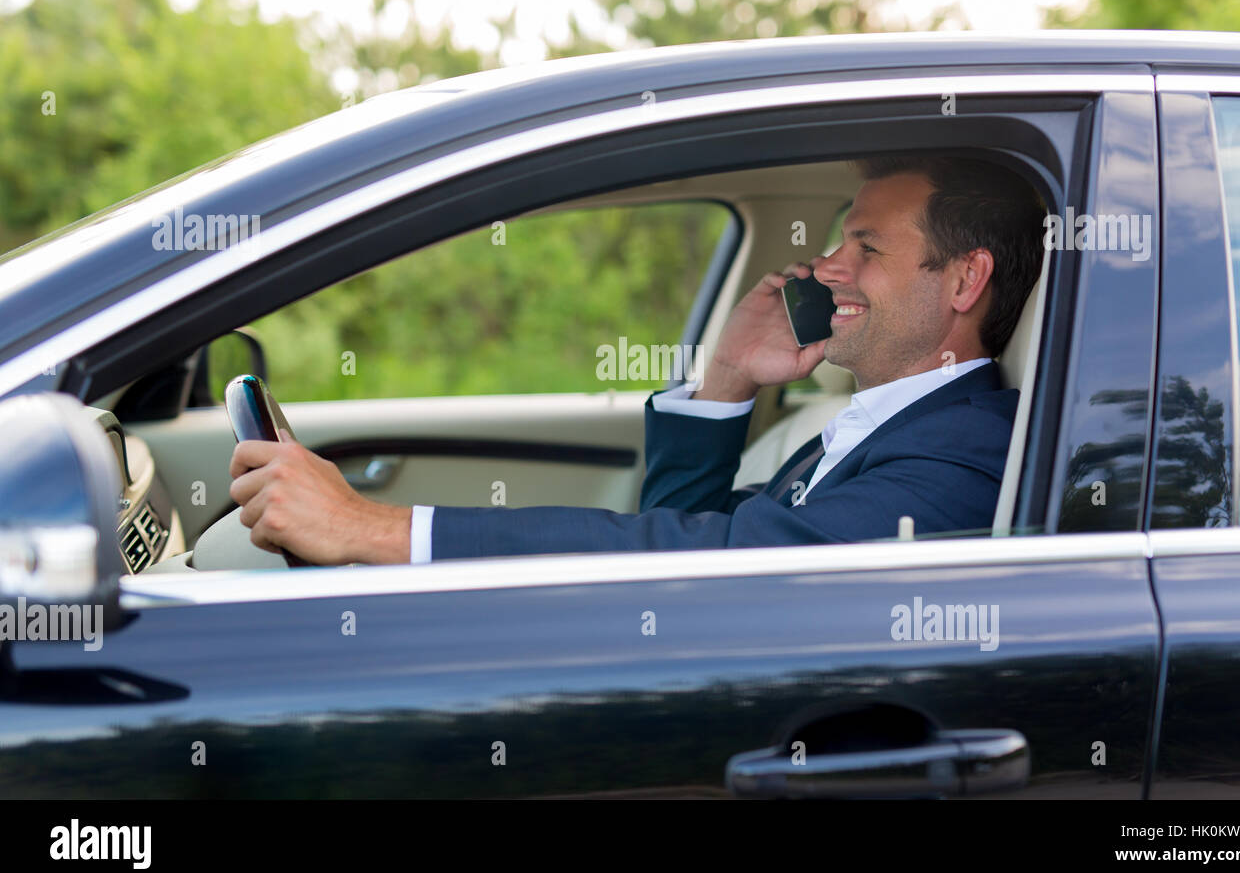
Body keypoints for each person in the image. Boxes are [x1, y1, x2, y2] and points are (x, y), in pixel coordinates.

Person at [229, 154, 1046, 565]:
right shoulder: (881, 422)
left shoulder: (966, 449)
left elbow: (705, 563)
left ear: (966, 278)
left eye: (865, 246)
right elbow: (709, 532)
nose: (829, 266)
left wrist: (371, 528)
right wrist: (727, 376)